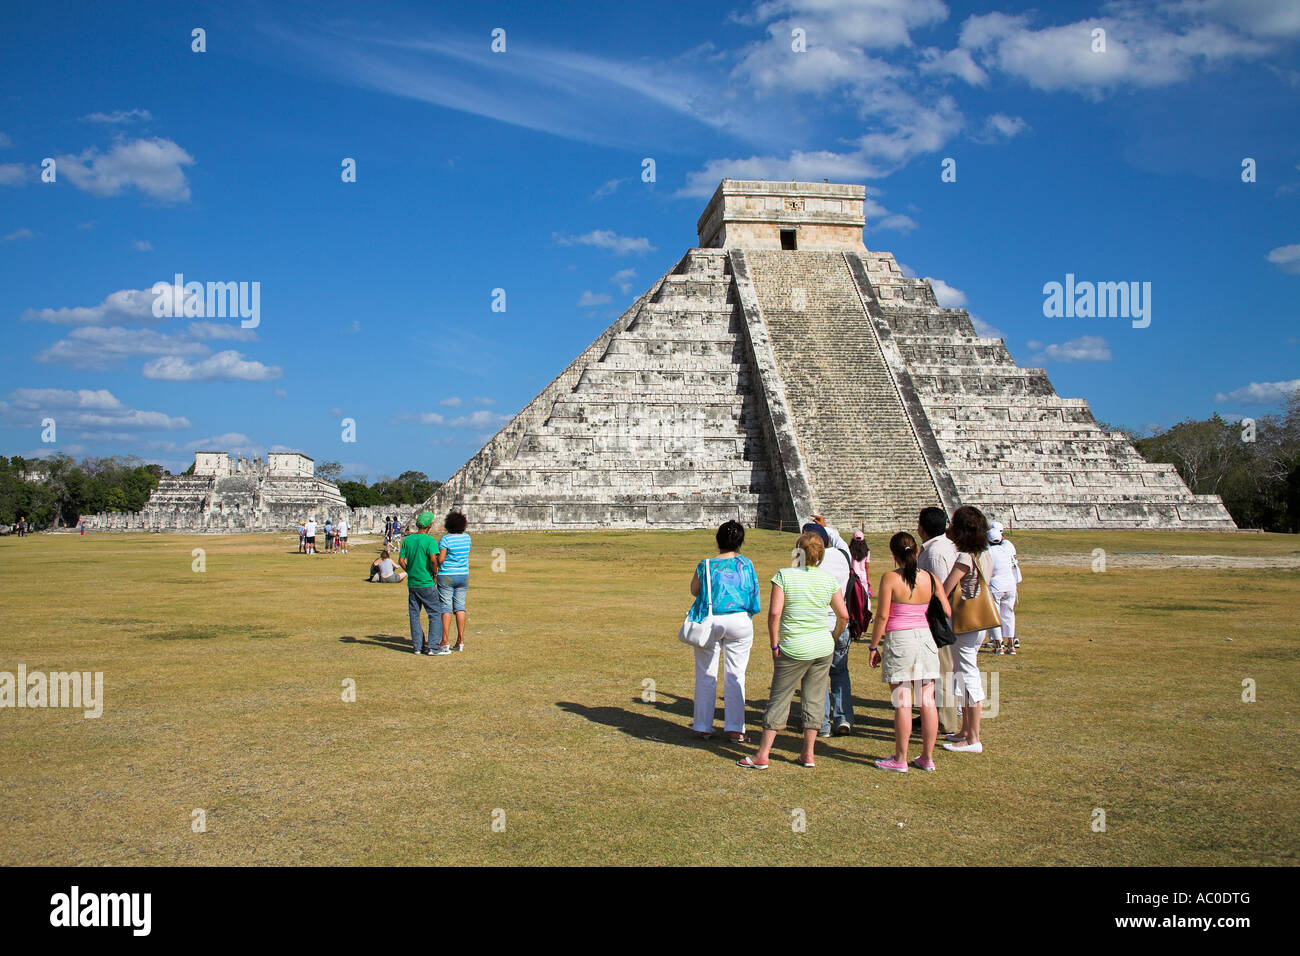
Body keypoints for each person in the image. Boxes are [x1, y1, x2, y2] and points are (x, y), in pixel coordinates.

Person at [738, 531, 848, 770]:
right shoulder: (828, 580)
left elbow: (775, 613)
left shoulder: (784, 576)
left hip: (794, 647)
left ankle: (763, 754)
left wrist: (774, 643)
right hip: (821, 646)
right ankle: (808, 753)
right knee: (815, 698)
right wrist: (833, 637)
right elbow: (844, 615)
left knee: (779, 697)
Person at [869, 531, 951, 772]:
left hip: (901, 639)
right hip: (925, 638)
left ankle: (900, 758)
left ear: (894, 555)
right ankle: (927, 756)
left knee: (902, 702)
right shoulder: (930, 578)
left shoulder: (891, 578)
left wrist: (873, 646)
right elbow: (946, 610)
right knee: (927, 700)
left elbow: (882, 615)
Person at [687, 520, 761, 743]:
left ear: (718, 540)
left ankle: (702, 726)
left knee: (706, 674)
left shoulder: (706, 565)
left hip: (711, 620)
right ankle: (735, 728)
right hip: (738, 620)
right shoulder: (746, 564)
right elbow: (753, 593)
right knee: (736, 675)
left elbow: (694, 590)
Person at [941, 505, 993, 754]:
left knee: (968, 675)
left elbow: (945, 588)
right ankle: (966, 729)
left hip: (964, 622)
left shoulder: (965, 558)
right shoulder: (984, 553)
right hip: (976, 622)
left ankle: (973, 737)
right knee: (963, 674)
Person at [800, 523, 853, 738]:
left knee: (816, 675)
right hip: (841, 624)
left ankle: (820, 723)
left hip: (817, 625)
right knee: (840, 672)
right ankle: (843, 717)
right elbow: (839, 539)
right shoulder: (843, 556)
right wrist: (826, 527)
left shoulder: (806, 562)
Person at [916, 506, 960, 735]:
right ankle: (929, 713)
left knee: (940, 671)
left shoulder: (934, 553)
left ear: (922, 528)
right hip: (936, 618)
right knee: (932, 670)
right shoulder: (945, 546)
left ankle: (944, 721)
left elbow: (940, 590)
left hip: (936, 619)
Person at [400, 511, 447, 655]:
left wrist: (411, 571)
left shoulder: (407, 540)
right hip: (426, 582)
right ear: (430, 525)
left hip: (412, 583)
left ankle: (417, 646)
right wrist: (435, 573)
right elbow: (434, 559)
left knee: (414, 614)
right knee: (435, 613)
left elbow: (401, 561)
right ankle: (433, 646)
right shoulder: (429, 541)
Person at [436, 511, 471, 652]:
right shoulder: (467, 538)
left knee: (445, 607)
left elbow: (441, 559)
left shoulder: (446, 540)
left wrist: (436, 561)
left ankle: (445, 640)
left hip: (447, 575)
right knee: (460, 607)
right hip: (463, 575)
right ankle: (460, 640)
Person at [986, 521, 1021, 654]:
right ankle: (1011, 645)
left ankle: (998, 645)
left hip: (996, 586)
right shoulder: (1007, 547)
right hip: (1010, 585)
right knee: (1009, 614)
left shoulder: (988, 551)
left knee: (995, 614)